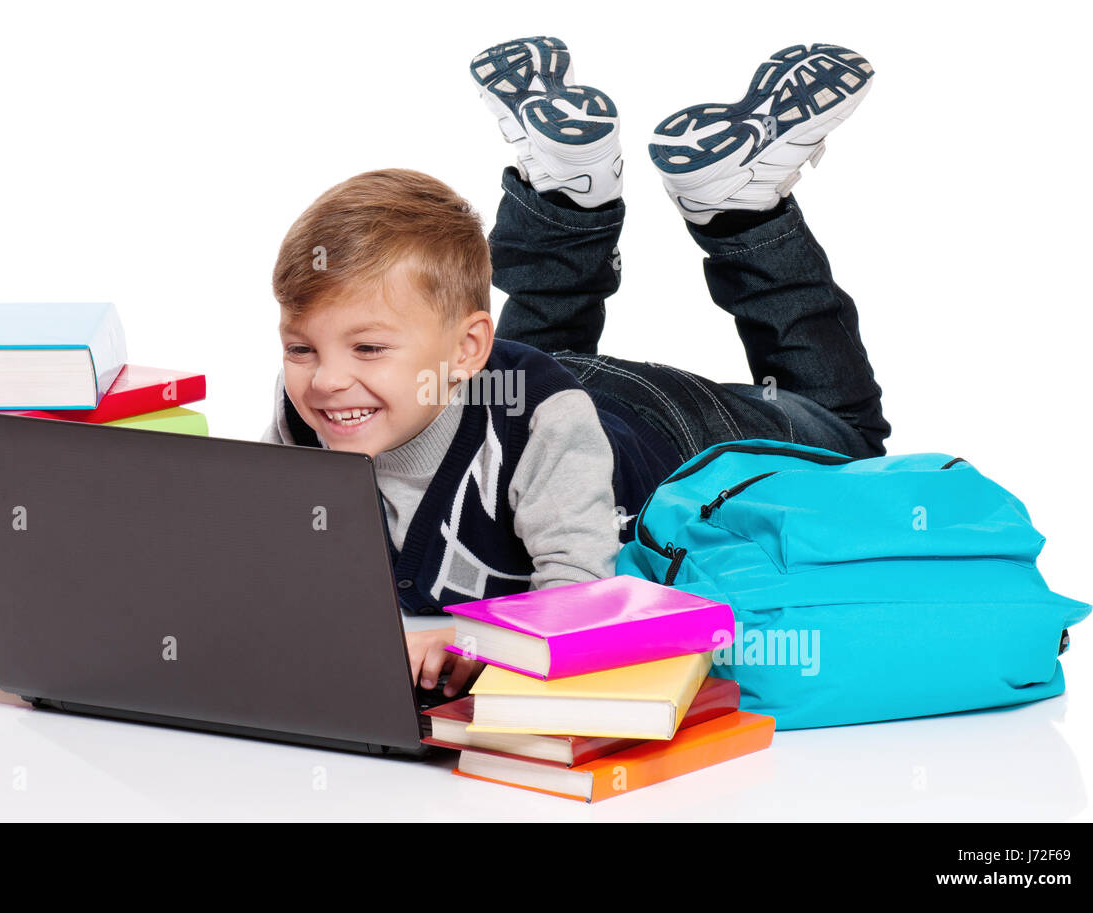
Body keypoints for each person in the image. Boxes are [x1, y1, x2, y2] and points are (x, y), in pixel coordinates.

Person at [261, 37, 889, 698]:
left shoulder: (543, 430)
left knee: (848, 442)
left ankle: (740, 209)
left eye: (365, 348)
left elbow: (583, 602)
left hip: (656, 422)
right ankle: (568, 188)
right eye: (301, 348)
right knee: (512, 383)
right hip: (527, 386)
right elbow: (283, 566)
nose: (325, 379)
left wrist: (472, 638)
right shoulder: (315, 416)